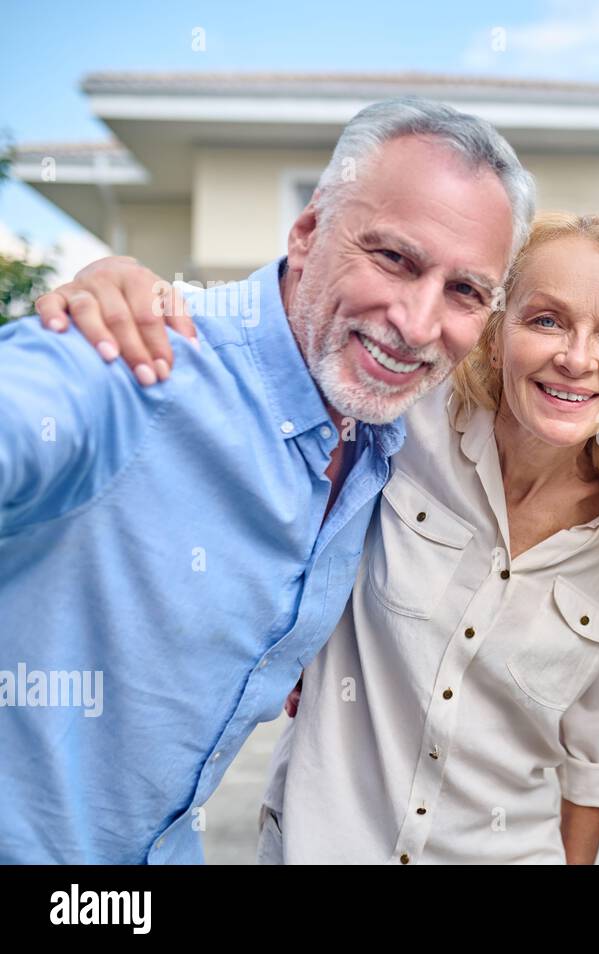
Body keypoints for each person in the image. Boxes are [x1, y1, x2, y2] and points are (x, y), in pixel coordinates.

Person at [42, 212, 599, 865]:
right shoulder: (403, 420)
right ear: (494, 332)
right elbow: (265, 358)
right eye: (545, 320)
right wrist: (119, 284)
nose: (576, 358)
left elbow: (594, 764)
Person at [1, 97, 532, 864]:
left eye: (465, 292)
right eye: (394, 258)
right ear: (310, 231)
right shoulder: (130, 363)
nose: (418, 324)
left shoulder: (396, 435)